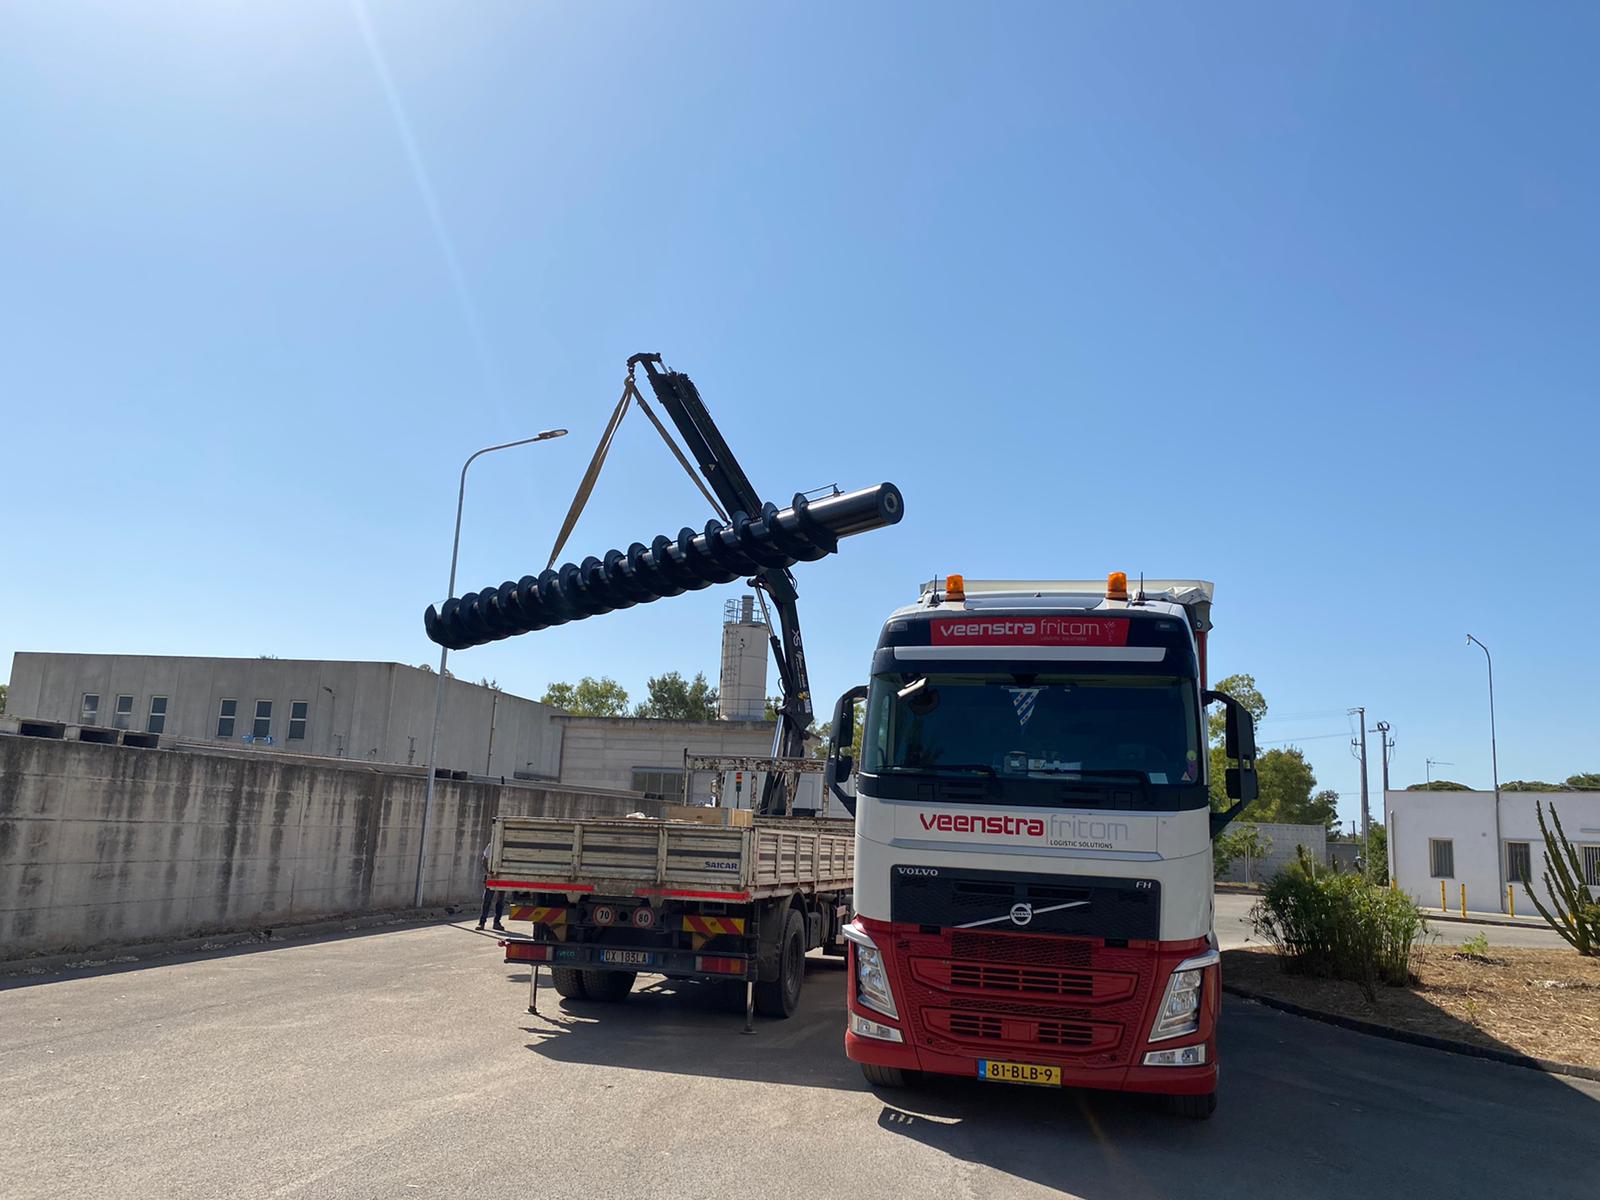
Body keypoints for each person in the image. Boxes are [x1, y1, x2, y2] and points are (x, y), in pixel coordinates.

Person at [477, 841, 505, 931]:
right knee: (488, 900)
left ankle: (496, 922)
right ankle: (482, 922)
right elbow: (484, 859)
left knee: (500, 900)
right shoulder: (492, 844)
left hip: (503, 876)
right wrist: (489, 872)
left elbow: (484, 859)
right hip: (493, 875)